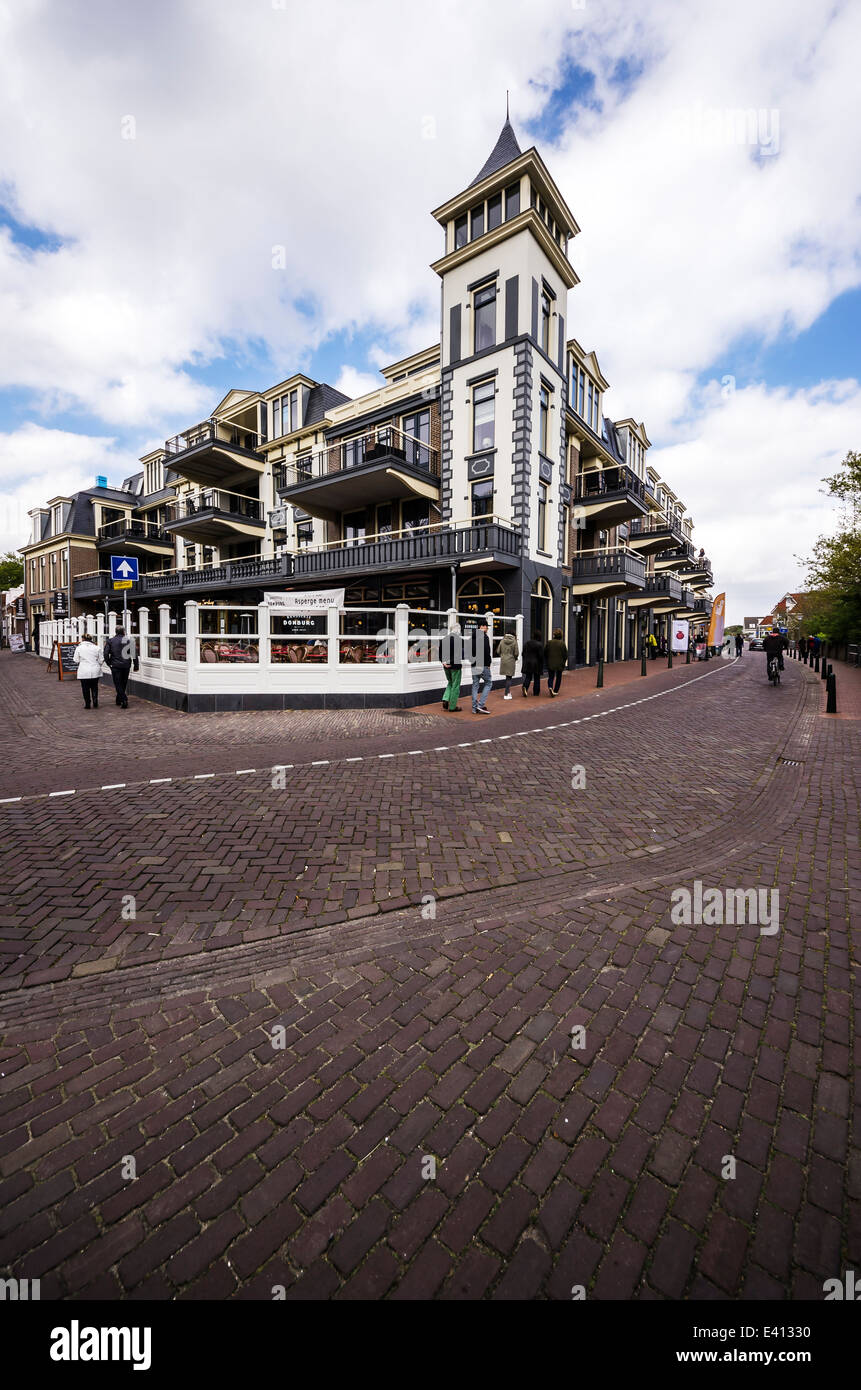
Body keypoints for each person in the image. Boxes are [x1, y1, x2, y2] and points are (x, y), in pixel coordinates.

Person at [104, 628, 138, 708]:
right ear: (124, 632)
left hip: (115, 665)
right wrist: (136, 665)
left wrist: (109, 663)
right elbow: (134, 654)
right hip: (126, 665)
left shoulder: (110, 641)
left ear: (115, 631)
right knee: (123, 682)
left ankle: (123, 700)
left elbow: (105, 654)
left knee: (118, 683)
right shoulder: (129, 641)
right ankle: (119, 699)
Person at [73, 633, 103, 710]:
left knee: (85, 687)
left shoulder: (79, 648)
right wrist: (97, 663)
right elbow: (101, 660)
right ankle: (95, 701)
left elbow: (76, 660)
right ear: (91, 639)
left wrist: (82, 661)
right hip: (95, 669)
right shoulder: (97, 648)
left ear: (83, 639)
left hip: (84, 670)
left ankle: (87, 703)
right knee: (94, 686)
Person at [439, 623, 464, 712]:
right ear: (458, 630)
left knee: (450, 682)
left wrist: (444, 662)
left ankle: (446, 698)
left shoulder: (444, 639)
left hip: (446, 666)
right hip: (455, 666)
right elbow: (460, 654)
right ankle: (452, 706)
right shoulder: (459, 640)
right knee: (455, 685)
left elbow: (440, 653)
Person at [471, 618, 492, 714]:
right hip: (483, 664)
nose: (487, 628)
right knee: (488, 683)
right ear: (482, 627)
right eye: (486, 626)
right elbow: (487, 652)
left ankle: (474, 707)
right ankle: (481, 705)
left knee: (475, 685)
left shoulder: (472, 636)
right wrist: (488, 663)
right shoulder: (485, 637)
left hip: (474, 664)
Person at [544, 627, 568, 697]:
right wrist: (563, 662)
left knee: (551, 677)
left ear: (554, 635)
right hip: (559, 664)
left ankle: (550, 686)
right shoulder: (562, 644)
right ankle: (555, 691)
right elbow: (565, 655)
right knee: (558, 677)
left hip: (550, 663)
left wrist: (547, 660)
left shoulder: (549, 642)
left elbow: (545, 652)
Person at [498, 630, 519, 699]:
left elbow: (498, 651)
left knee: (507, 678)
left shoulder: (502, 640)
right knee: (509, 678)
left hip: (503, 660)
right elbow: (516, 653)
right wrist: (515, 658)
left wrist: (503, 655)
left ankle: (508, 692)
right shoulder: (514, 642)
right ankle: (506, 694)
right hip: (511, 661)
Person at [521, 632, 543, 696]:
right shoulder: (539, 645)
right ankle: (536, 693)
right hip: (536, 664)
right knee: (537, 678)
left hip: (528, 663)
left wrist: (526, 659)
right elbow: (541, 656)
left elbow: (523, 654)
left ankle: (525, 687)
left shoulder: (526, 643)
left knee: (528, 677)